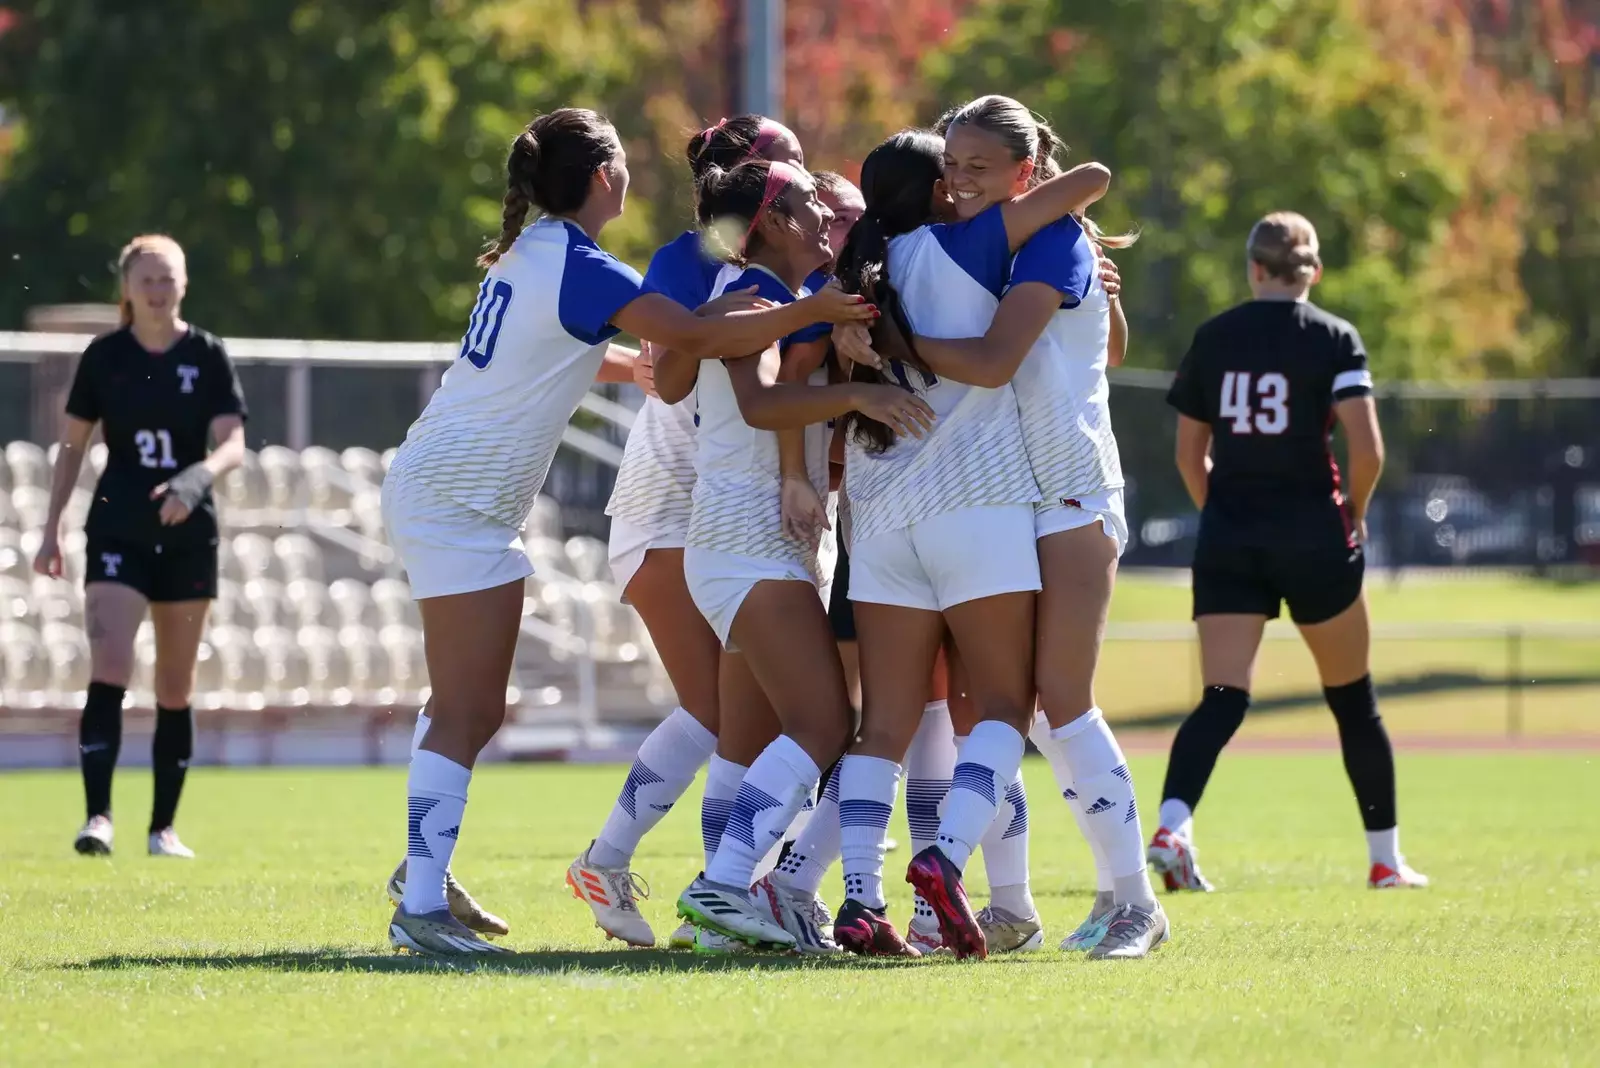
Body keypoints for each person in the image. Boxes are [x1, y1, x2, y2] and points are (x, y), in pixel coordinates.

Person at [381, 108, 878, 956]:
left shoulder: (544, 255)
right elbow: (692, 335)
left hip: (448, 491)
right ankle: (420, 904)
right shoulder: (587, 263)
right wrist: (809, 312)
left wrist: (638, 358)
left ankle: (423, 877)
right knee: (471, 708)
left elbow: (587, 349)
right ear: (605, 177)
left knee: (467, 706)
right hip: (459, 500)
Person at [823, 126, 1114, 961]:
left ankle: (858, 903)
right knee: (1003, 709)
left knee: (881, 727)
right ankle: (946, 861)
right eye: (950, 170)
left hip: (877, 520)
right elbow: (1089, 176)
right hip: (975, 507)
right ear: (940, 190)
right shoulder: (973, 240)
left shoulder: (854, 281)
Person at [892, 95, 1165, 959]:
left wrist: (890, 341)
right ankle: (1019, 901)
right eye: (952, 166)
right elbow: (1105, 347)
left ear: (1023, 172)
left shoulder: (1050, 235)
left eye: (978, 166)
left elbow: (997, 360)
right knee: (1020, 712)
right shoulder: (1022, 239)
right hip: (1017, 494)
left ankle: (1140, 904)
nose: (959, 181)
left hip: (1074, 490)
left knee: (1065, 703)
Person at [669, 158, 937, 951]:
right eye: (806, 200)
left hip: (743, 545)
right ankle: (721, 887)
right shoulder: (755, 296)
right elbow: (759, 404)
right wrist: (859, 393)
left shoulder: (771, 299)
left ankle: (723, 909)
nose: (823, 209)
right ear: (777, 223)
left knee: (765, 736)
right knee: (825, 724)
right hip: (744, 542)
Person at [567, 114, 810, 951]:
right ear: (752, 181)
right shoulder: (693, 256)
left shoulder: (760, 261)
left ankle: (719, 894)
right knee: (721, 714)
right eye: (786, 166)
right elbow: (669, 378)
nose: (802, 178)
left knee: (746, 720)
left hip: (710, 509)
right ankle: (646, 871)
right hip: (673, 506)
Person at [1150, 211, 1427, 892]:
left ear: (1253, 268)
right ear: (1314, 272)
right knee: (1353, 701)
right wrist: (1354, 513)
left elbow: (1190, 452)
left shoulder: (1215, 335)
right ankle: (1385, 859)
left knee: (1220, 697)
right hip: (1312, 534)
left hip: (1231, 537)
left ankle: (1172, 826)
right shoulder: (1333, 337)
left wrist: (1220, 512)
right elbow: (1368, 449)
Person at [34, 234, 247, 860]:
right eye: (145, 280)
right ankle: (97, 818)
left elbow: (233, 442)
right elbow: (73, 446)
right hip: (118, 527)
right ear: (126, 288)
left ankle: (162, 830)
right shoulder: (104, 356)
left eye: (168, 279)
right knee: (109, 668)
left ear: (184, 284)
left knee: (175, 686)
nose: (157, 290)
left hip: (188, 531)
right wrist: (50, 529)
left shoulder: (207, 354)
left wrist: (197, 476)